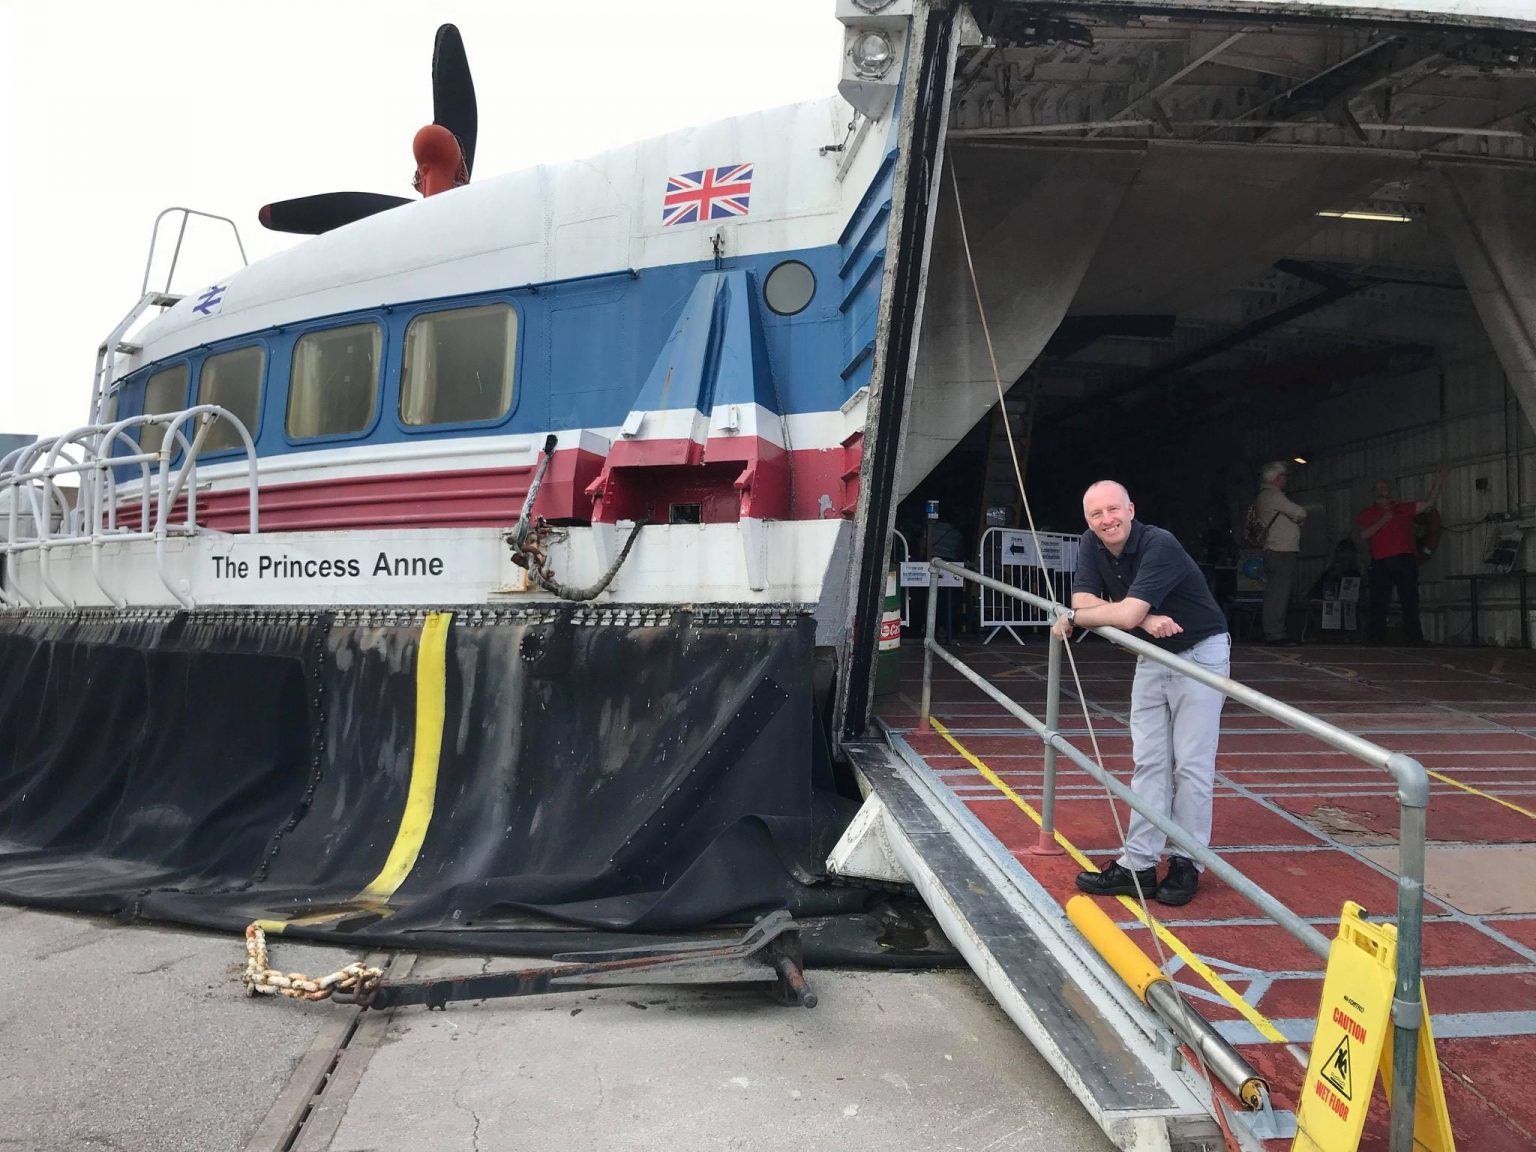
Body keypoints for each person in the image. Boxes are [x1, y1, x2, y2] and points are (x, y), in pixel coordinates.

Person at [1051, 481, 1231, 906]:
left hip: (1199, 652)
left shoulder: (1159, 543)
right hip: (1151, 652)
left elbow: (1098, 610)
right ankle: (1139, 865)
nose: (1106, 520)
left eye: (1113, 510)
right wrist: (1143, 620)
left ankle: (1186, 863)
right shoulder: (1091, 544)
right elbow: (1086, 598)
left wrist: (1081, 616)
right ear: (1087, 520)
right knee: (1148, 761)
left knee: (1191, 764)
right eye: (1096, 514)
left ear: (1131, 509)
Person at [1356, 470, 1446, 643]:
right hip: (1382, 561)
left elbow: (1428, 503)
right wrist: (1383, 520)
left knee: (1410, 601)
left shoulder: (1402, 508)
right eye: (1381, 488)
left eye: (1386, 487)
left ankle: (1415, 640)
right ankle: (1375, 640)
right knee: (1379, 603)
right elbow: (1364, 535)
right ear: (1375, 492)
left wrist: (1438, 482)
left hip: (1405, 559)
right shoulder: (1368, 513)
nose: (1385, 490)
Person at [1254, 461, 1308, 646]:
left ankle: (1272, 630)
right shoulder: (1274, 496)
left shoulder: (1263, 496)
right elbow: (1300, 512)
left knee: (1275, 592)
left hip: (1274, 549)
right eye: (1284, 476)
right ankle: (1275, 633)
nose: (1286, 480)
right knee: (1279, 594)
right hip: (1282, 550)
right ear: (1278, 479)